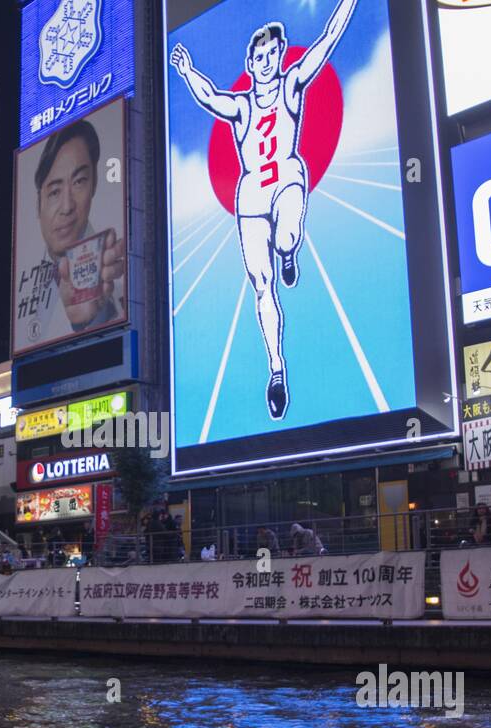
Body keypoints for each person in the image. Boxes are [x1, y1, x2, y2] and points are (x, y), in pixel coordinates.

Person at [171, 0, 358, 420]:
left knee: (287, 235)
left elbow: (328, 40)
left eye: (273, 53)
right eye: (259, 57)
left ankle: (289, 249)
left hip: (287, 175)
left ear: (280, 54)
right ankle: (277, 368)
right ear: (251, 63)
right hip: (251, 193)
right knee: (261, 282)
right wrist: (185, 72)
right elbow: (210, 97)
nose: (267, 61)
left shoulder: (292, 85)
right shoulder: (241, 107)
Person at [17, 120, 127, 348]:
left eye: (79, 182)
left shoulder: (112, 269)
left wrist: (93, 319)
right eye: (55, 191)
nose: (67, 206)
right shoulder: (28, 277)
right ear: (39, 203)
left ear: (94, 184)